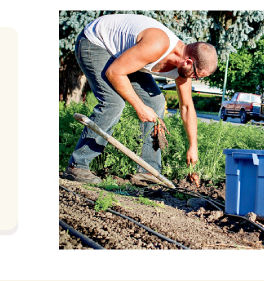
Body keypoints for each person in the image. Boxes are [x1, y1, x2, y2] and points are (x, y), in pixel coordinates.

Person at [64, 14, 217, 184]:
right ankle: (77, 165)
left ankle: (148, 171)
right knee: (113, 103)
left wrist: (193, 146)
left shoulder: (182, 70)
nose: (195, 79)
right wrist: (139, 106)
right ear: (188, 61)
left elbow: (187, 107)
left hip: (123, 54)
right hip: (96, 43)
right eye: (197, 75)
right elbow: (114, 73)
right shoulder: (157, 45)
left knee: (156, 102)